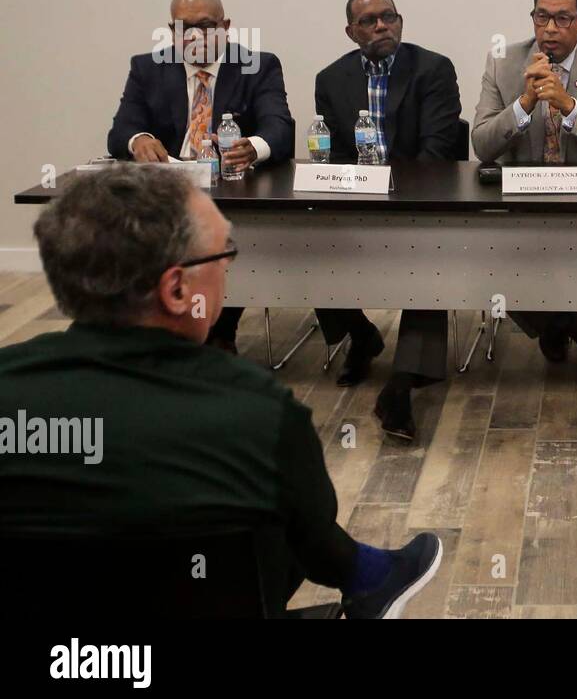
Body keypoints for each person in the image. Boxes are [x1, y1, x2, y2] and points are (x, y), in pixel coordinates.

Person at [0, 166, 442, 618]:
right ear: (177, 290)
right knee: (280, 514)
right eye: (225, 255)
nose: (229, 272)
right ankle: (372, 577)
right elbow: (313, 542)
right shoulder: (261, 414)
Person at [107, 0, 293, 354]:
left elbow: (280, 127)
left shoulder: (257, 65)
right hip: (171, 192)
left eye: (206, 26)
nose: (195, 36)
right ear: (172, 31)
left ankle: (219, 333)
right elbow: (121, 131)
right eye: (184, 27)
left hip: (234, 191)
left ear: (225, 26)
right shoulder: (148, 68)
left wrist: (254, 147)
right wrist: (139, 139)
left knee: (219, 235)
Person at [314, 0, 462, 441]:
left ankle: (402, 385)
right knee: (307, 237)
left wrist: (395, 196)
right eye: (369, 21)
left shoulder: (432, 69)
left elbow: (438, 150)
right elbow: (337, 155)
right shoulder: (331, 79)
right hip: (359, 199)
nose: (382, 26)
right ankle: (361, 334)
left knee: (429, 254)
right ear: (351, 32)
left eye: (389, 17)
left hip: (422, 202)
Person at [471, 0, 577, 370]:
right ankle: (571, 326)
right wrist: (524, 104)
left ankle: (558, 325)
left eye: (562, 19)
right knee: (491, 247)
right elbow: (482, 145)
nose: (549, 29)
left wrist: (569, 105)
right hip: (520, 197)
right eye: (541, 17)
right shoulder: (504, 61)